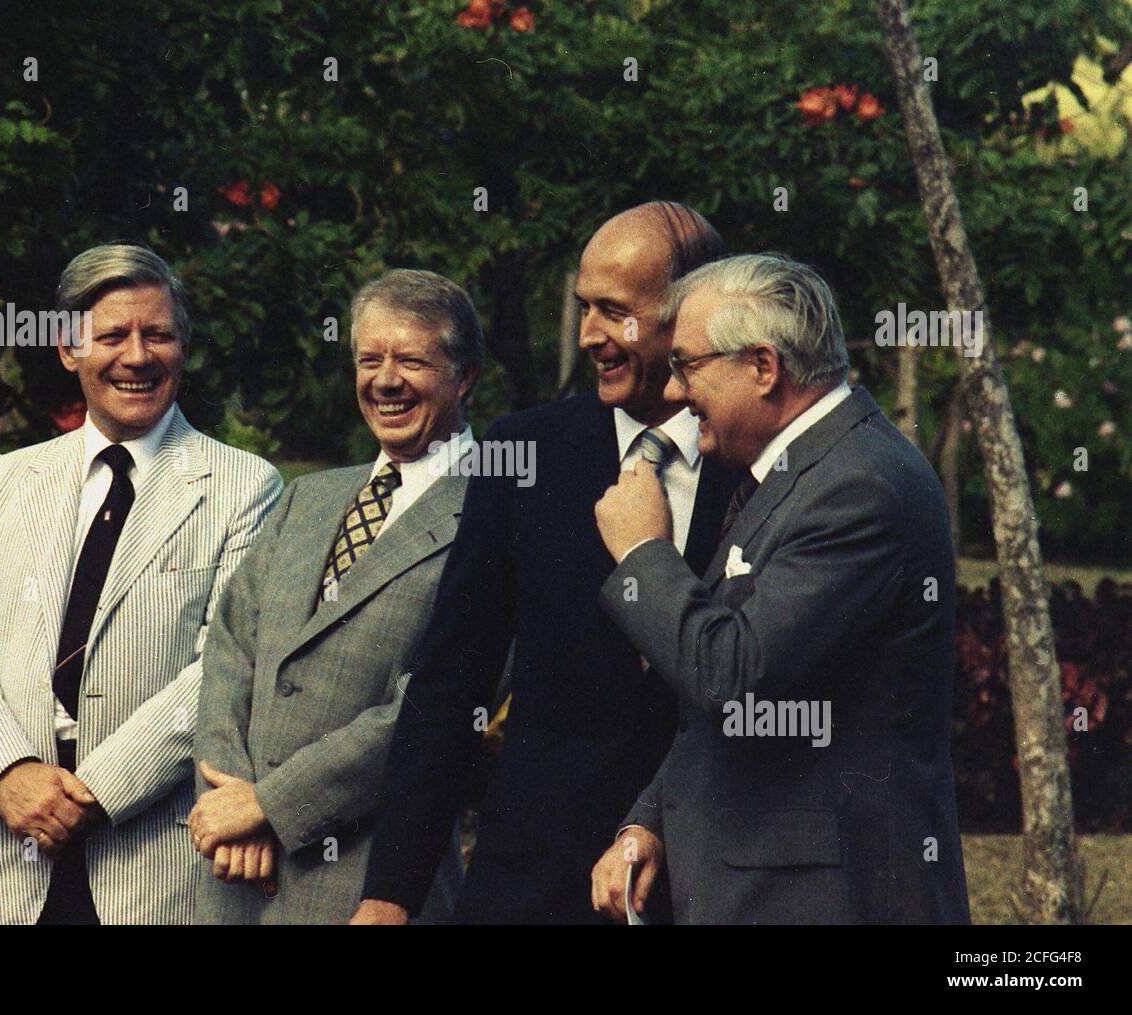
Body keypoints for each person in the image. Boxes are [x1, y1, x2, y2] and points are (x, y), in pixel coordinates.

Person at [354, 202, 741, 924]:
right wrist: (390, 893)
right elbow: (450, 679)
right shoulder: (526, 453)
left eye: (613, 311)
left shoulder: (756, 464)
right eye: (582, 308)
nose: (590, 334)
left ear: (690, 313)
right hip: (531, 884)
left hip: (708, 884)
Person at [590, 253, 971, 924]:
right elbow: (742, 703)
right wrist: (650, 821)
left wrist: (644, 553)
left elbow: (731, 675)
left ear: (763, 367)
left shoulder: (860, 487)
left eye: (688, 365)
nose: (676, 393)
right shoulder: (804, 472)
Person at [0, 243, 281, 924]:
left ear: (184, 346)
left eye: (159, 334)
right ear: (68, 350)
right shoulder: (9, 478)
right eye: (113, 335)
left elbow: (225, 670)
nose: (137, 356)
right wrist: (7, 772)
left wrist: (91, 792)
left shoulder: (244, 485)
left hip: (154, 862)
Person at [188, 269, 481, 923]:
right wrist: (234, 793)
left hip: (371, 887)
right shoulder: (307, 497)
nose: (385, 379)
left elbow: (440, 705)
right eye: (369, 358)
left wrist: (272, 805)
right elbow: (230, 643)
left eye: (410, 359)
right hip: (236, 875)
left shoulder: (498, 515)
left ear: (463, 377)